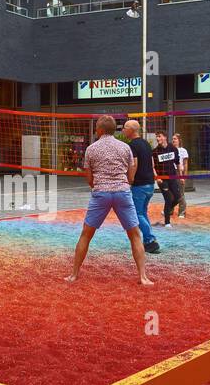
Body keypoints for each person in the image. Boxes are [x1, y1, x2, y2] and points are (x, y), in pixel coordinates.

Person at [67, 116, 152, 285]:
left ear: (99, 130)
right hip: (122, 192)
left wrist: (97, 185)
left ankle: (74, 275)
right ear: (115, 130)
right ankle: (143, 277)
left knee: (86, 234)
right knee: (135, 235)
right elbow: (130, 174)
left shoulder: (91, 149)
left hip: (101, 193)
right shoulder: (125, 147)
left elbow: (89, 177)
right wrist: (123, 183)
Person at [123, 120, 160, 254]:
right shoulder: (145, 143)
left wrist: (130, 180)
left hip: (140, 184)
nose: (123, 130)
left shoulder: (132, 145)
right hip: (149, 183)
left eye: (125, 128)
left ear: (131, 130)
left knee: (138, 214)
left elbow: (134, 164)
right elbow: (151, 163)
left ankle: (150, 240)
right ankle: (147, 240)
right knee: (142, 213)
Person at [153, 131, 182, 227]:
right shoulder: (155, 151)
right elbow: (153, 166)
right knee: (169, 199)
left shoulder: (173, 149)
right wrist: (157, 178)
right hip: (162, 179)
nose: (157, 138)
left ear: (165, 137)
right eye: (156, 137)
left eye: (159, 136)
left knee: (178, 198)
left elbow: (177, 163)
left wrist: (181, 176)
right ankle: (167, 222)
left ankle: (166, 209)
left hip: (172, 177)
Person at [172, 133, 189, 218]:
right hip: (171, 172)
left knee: (180, 193)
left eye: (175, 139)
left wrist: (184, 176)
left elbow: (185, 164)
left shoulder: (183, 150)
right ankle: (170, 210)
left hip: (179, 172)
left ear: (179, 140)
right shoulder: (170, 149)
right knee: (171, 192)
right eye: (173, 139)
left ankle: (182, 212)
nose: (173, 140)